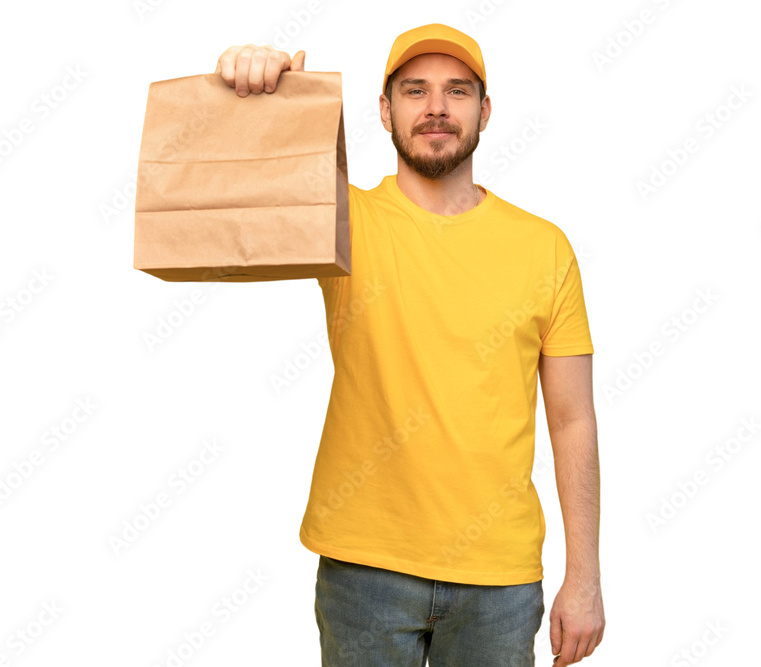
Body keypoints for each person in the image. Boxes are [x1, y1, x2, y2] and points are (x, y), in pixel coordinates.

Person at [215, 23, 604, 666]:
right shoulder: (340, 218)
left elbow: (572, 420)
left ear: (484, 110)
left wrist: (584, 577)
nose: (435, 108)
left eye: (457, 91)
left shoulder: (545, 247)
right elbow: (231, 196)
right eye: (414, 90)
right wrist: (249, 87)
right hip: (365, 570)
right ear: (384, 109)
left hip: (499, 578)